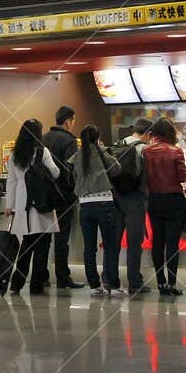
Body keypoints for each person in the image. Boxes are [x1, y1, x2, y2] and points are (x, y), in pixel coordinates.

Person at [2, 120, 61, 295]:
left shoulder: (14, 154)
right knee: (42, 246)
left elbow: (11, 181)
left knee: (26, 245)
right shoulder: (42, 151)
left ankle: (17, 284)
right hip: (41, 203)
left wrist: (9, 206)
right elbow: (55, 172)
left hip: (22, 203)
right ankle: (37, 285)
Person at [71, 125, 122, 295]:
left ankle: (94, 285)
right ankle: (113, 285)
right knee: (110, 246)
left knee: (89, 247)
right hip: (105, 204)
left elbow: (74, 177)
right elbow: (117, 169)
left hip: (84, 205)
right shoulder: (101, 152)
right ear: (97, 138)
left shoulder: (77, 156)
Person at [143, 119, 186, 296]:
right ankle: (172, 283)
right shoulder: (175, 151)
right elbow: (182, 177)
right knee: (172, 243)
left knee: (157, 241)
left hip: (154, 200)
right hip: (173, 200)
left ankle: (160, 283)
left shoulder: (146, 152)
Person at [111, 118, 152, 294]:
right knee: (135, 242)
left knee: (114, 240)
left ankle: (110, 279)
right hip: (135, 199)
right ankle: (134, 281)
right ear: (148, 133)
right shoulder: (144, 149)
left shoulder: (117, 144)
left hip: (116, 197)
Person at [41, 106, 80, 289]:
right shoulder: (70, 141)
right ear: (68, 121)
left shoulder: (43, 139)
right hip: (64, 196)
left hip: (45, 196)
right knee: (62, 239)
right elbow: (70, 170)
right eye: (73, 121)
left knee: (45, 237)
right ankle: (63, 277)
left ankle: (42, 275)